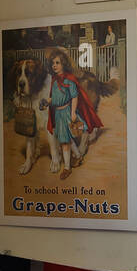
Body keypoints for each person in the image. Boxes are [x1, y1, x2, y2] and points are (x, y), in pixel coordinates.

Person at [47, 48, 103, 181]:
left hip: (67, 112)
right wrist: (47, 102)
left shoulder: (69, 80)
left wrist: (73, 113)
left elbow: (75, 97)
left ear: (64, 65)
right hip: (58, 114)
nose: (54, 65)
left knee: (65, 141)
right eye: (53, 63)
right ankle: (78, 156)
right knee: (65, 138)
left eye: (57, 63)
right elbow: (53, 98)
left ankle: (67, 168)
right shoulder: (54, 81)